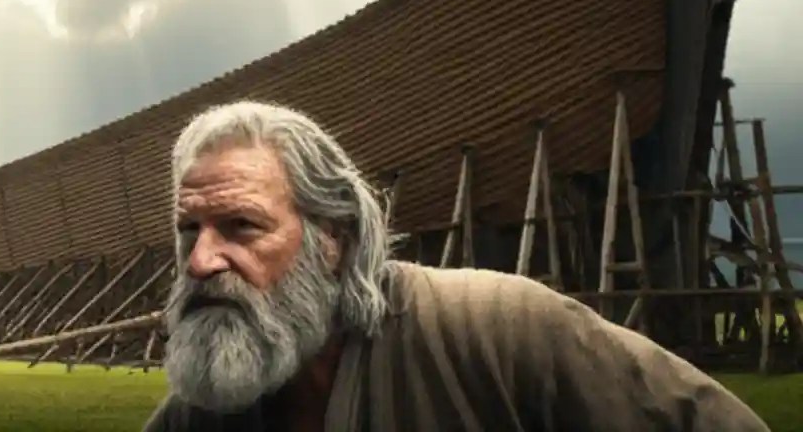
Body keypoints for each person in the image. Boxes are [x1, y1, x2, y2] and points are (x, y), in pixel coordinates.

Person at [143, 101, 768, 431]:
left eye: (242, 227)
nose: (201, 261)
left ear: (333, 238)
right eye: (188, 230)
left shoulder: (495, 332)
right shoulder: (198, 417)